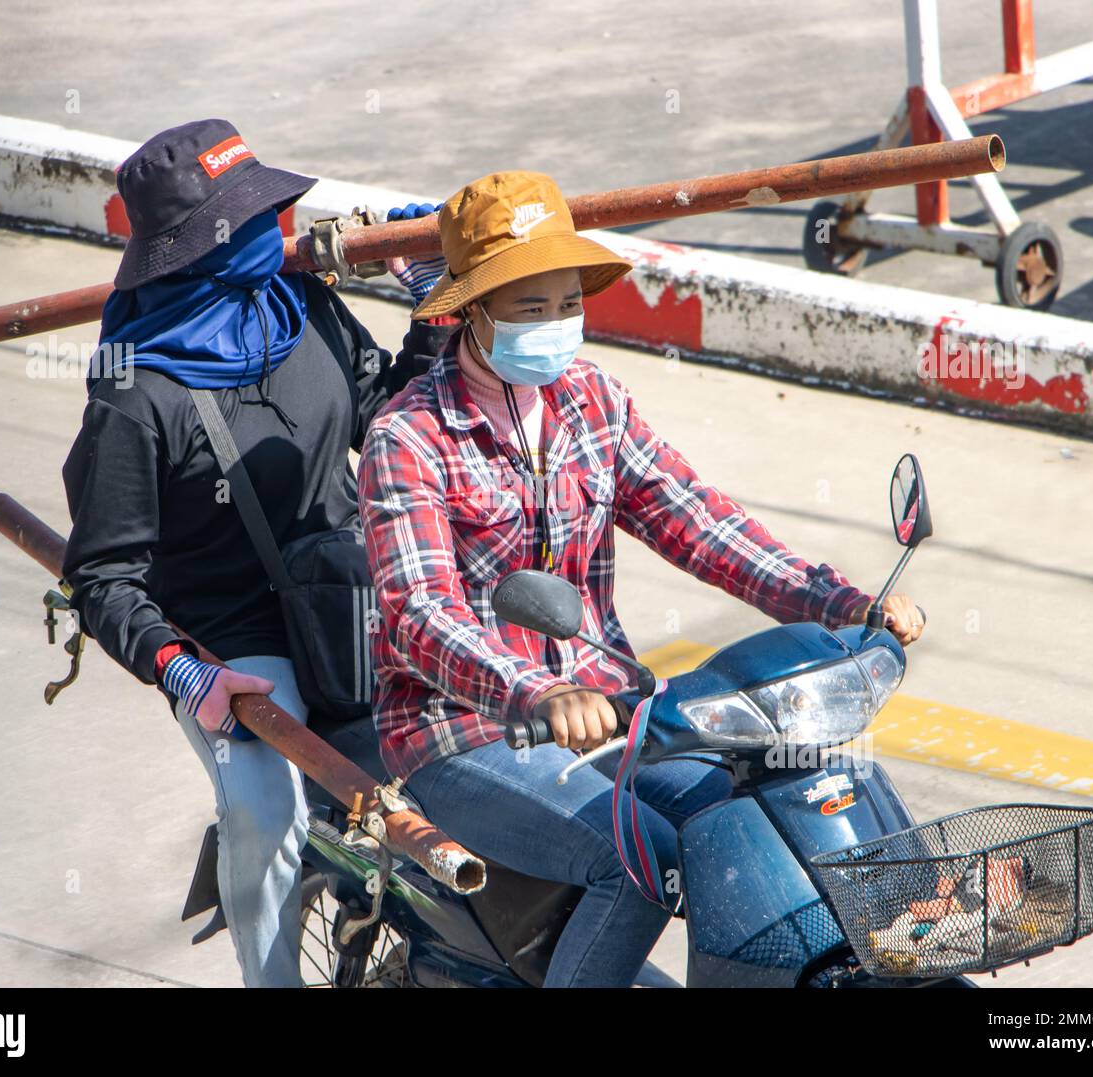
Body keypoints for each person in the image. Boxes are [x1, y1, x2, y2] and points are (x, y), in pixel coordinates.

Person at [357, 170, 924, 988]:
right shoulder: (409, 435)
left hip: (621, 715)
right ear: (470, 311)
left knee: (756, 812)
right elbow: (420, 613)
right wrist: (535, 694)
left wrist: (845, 602)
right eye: (528, 307)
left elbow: (702, 526)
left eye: (566, 303)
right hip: (464, 732)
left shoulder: (595, 401)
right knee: (636, 861)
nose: (554, 325)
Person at [60, 119, 453, 987]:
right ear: (192, 251)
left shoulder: (299, 303)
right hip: (236, 645)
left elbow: (387, 419)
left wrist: (438, 301)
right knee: (265, 805)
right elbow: (102, 578)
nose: (276, 229)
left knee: (483, 744)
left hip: (351, 596)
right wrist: (188, 674)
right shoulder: (134, 393)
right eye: (249, 220)